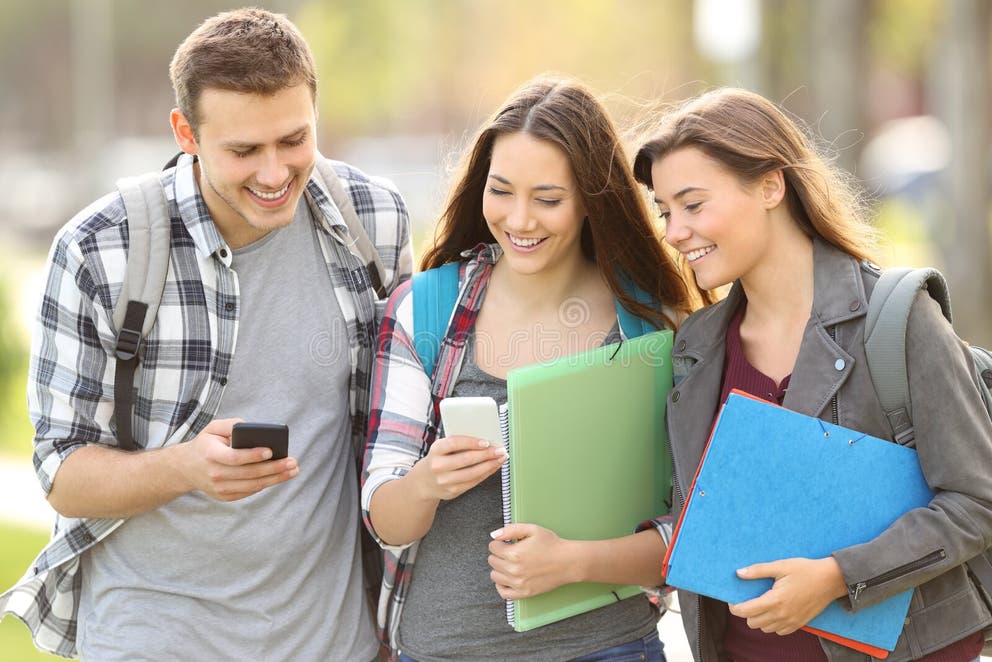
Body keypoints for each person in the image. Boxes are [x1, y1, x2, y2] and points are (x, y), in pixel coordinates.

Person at [0, 8, 412, 661]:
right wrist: (187, 468)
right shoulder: (99, 251)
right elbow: (60, 472)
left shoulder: (374, 220)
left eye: (294, 140)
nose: (275, 174)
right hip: (154, 635)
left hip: (331, 643)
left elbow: (399, 431)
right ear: (185, 133)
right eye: (244, 151)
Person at [633, 87, 992, 662]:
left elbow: (976, 502)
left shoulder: (898, 318)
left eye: (693, 205)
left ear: (771, 185)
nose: (674, 232)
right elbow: (699, 512)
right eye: (665, 212)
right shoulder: (696, 347)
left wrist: (836, 576)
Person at [361, 75, 701, 662]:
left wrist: (574, 562)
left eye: (548, 199)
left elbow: (690, 531)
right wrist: (426, 483)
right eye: (501, 191)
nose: (520, 220)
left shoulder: (651, 326)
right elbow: (385, 520)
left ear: (593, 201)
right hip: (443, 650)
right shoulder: (423, 311)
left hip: (609, 648)